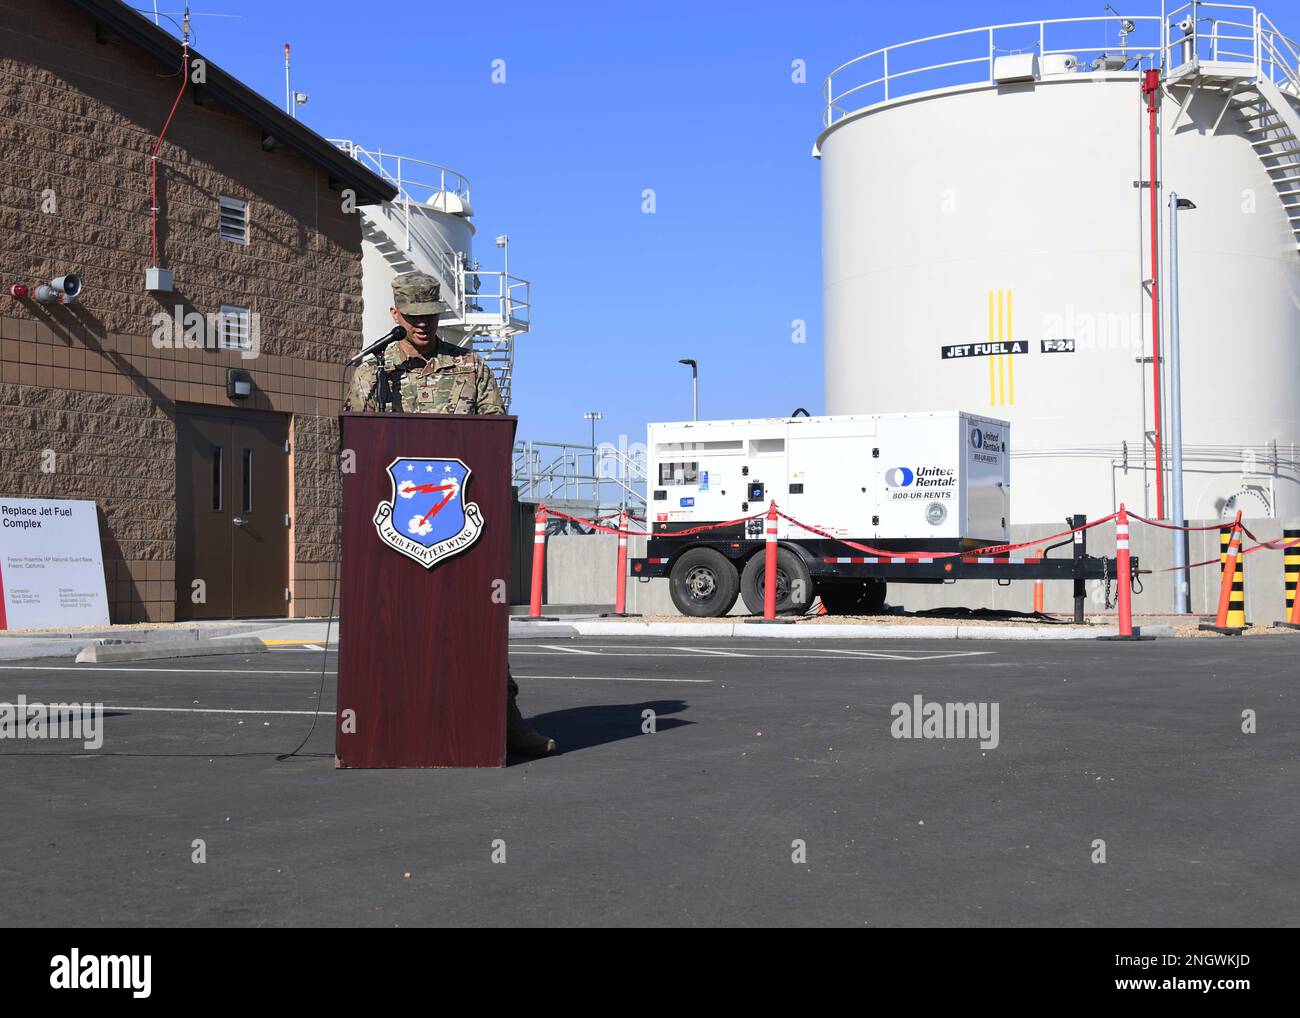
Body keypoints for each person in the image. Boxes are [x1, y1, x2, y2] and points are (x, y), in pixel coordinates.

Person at [347, 271, 556, 756]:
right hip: (392, 534)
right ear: (395, 314)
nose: (423, 325)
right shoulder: (371, 372)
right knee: (391, 632)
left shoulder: (471, 368)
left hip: (463, 531)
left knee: (474, 629)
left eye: (431, 316)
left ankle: (500, 724)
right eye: (414, 316)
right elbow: (357, 446)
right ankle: (385, 732)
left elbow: (494, 445)